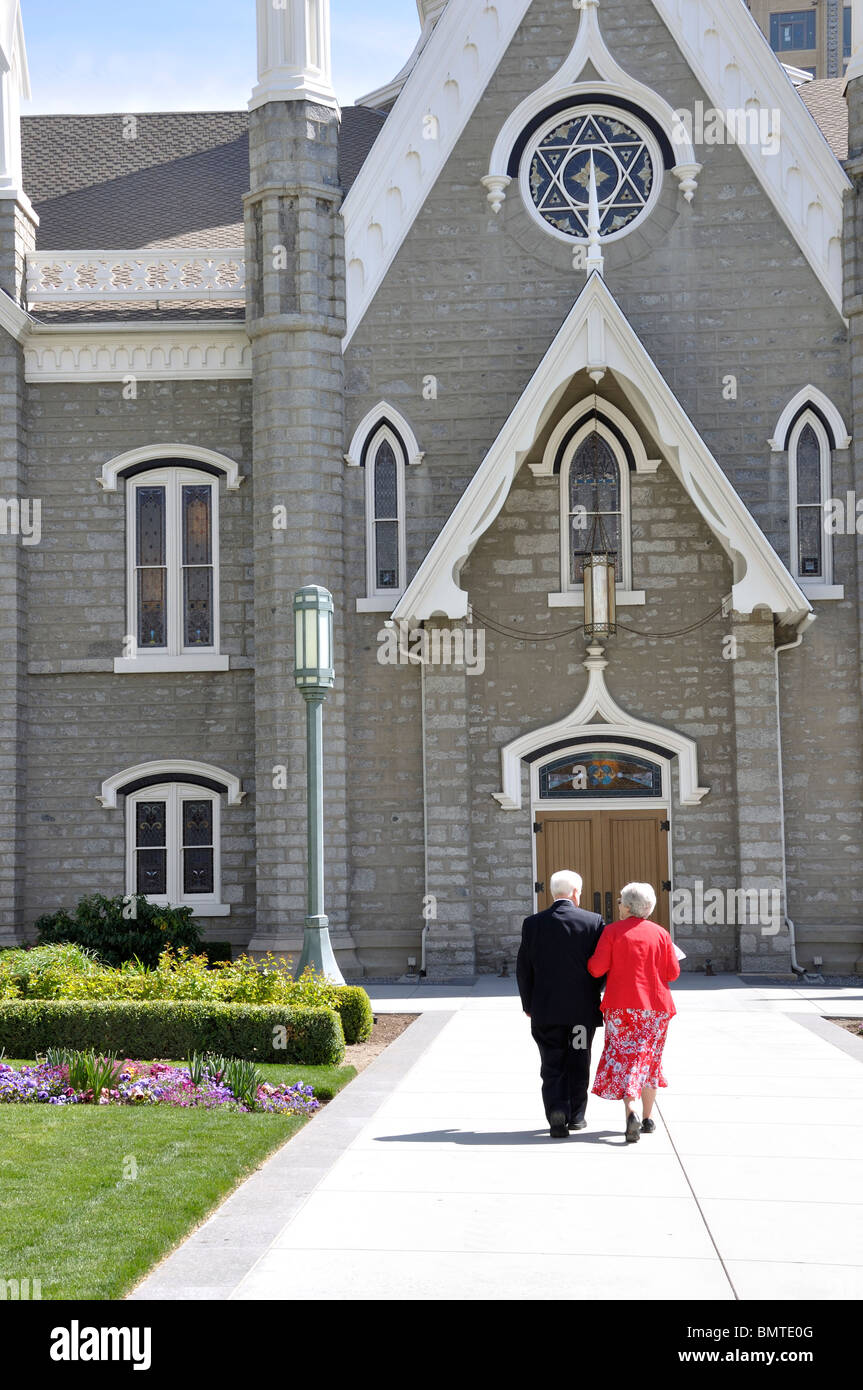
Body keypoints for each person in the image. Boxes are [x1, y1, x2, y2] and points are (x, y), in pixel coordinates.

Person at [587, 881, 680, 1144]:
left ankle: (632, 1110)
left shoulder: (613, 932)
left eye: (619, 901)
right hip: (656, 1008)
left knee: (626, 1059)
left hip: (622, 1006)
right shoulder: (661, 934)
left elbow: (596, 969)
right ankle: (648, 1118)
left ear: (627, 906)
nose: (618, 904)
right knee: (650, 1059)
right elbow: (673, 973)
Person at [516, 869, 605, 1139]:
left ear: (552, 892)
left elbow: (524, 969)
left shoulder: (533, 924)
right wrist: (594, 994)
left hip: (546, 1011)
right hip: (580, 1013)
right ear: (576, 892)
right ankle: (577, 1116)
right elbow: (600, 968)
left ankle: (556, 1111)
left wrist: (528, 1004)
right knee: (579, 1059)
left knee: (552, 1062)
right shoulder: (593, 922)